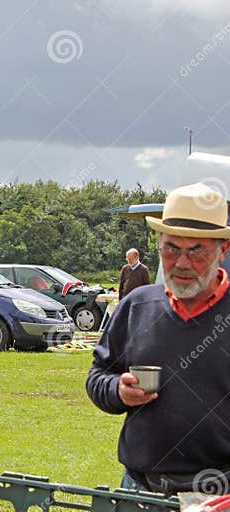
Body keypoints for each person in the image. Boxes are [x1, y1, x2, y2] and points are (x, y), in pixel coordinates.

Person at [87, 182, 230, 495]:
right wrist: (118, 391)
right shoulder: (137, 305)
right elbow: (98, 376)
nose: (181, 263)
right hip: (139, 489)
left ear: (223, 250)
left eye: (196, 251)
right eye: (171, 248)